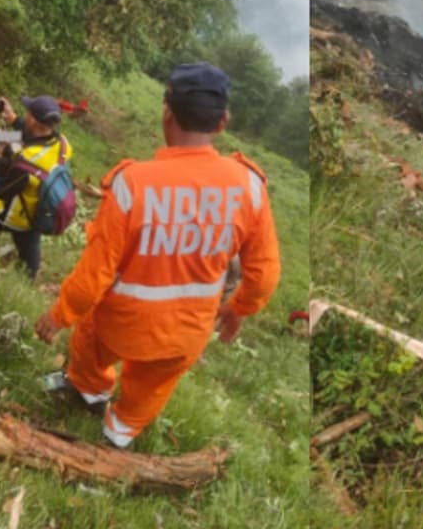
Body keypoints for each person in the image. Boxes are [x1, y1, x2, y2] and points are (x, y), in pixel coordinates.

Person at [33, 62, 281, 448]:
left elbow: (94, 274)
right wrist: (239, 307)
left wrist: (59, 314)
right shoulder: (249, 187)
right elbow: (264, 274)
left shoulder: (132, 184)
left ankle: (87, 391)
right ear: (223, 122)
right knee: (147, 391)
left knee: (89, 346)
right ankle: (118, 434)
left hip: (120, 324)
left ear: (167, 113)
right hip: (185, 336)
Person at [0, 96, 72, 278]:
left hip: (16, 218)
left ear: (33, 120)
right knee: (30, 262)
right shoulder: (63, 145)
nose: (25, 114)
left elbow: (0, 190)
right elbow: (35, 138)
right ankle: (29, 278)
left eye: (27, 113)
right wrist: (12, 119)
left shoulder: (25, 163)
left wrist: (0, 161)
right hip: (38, 213)